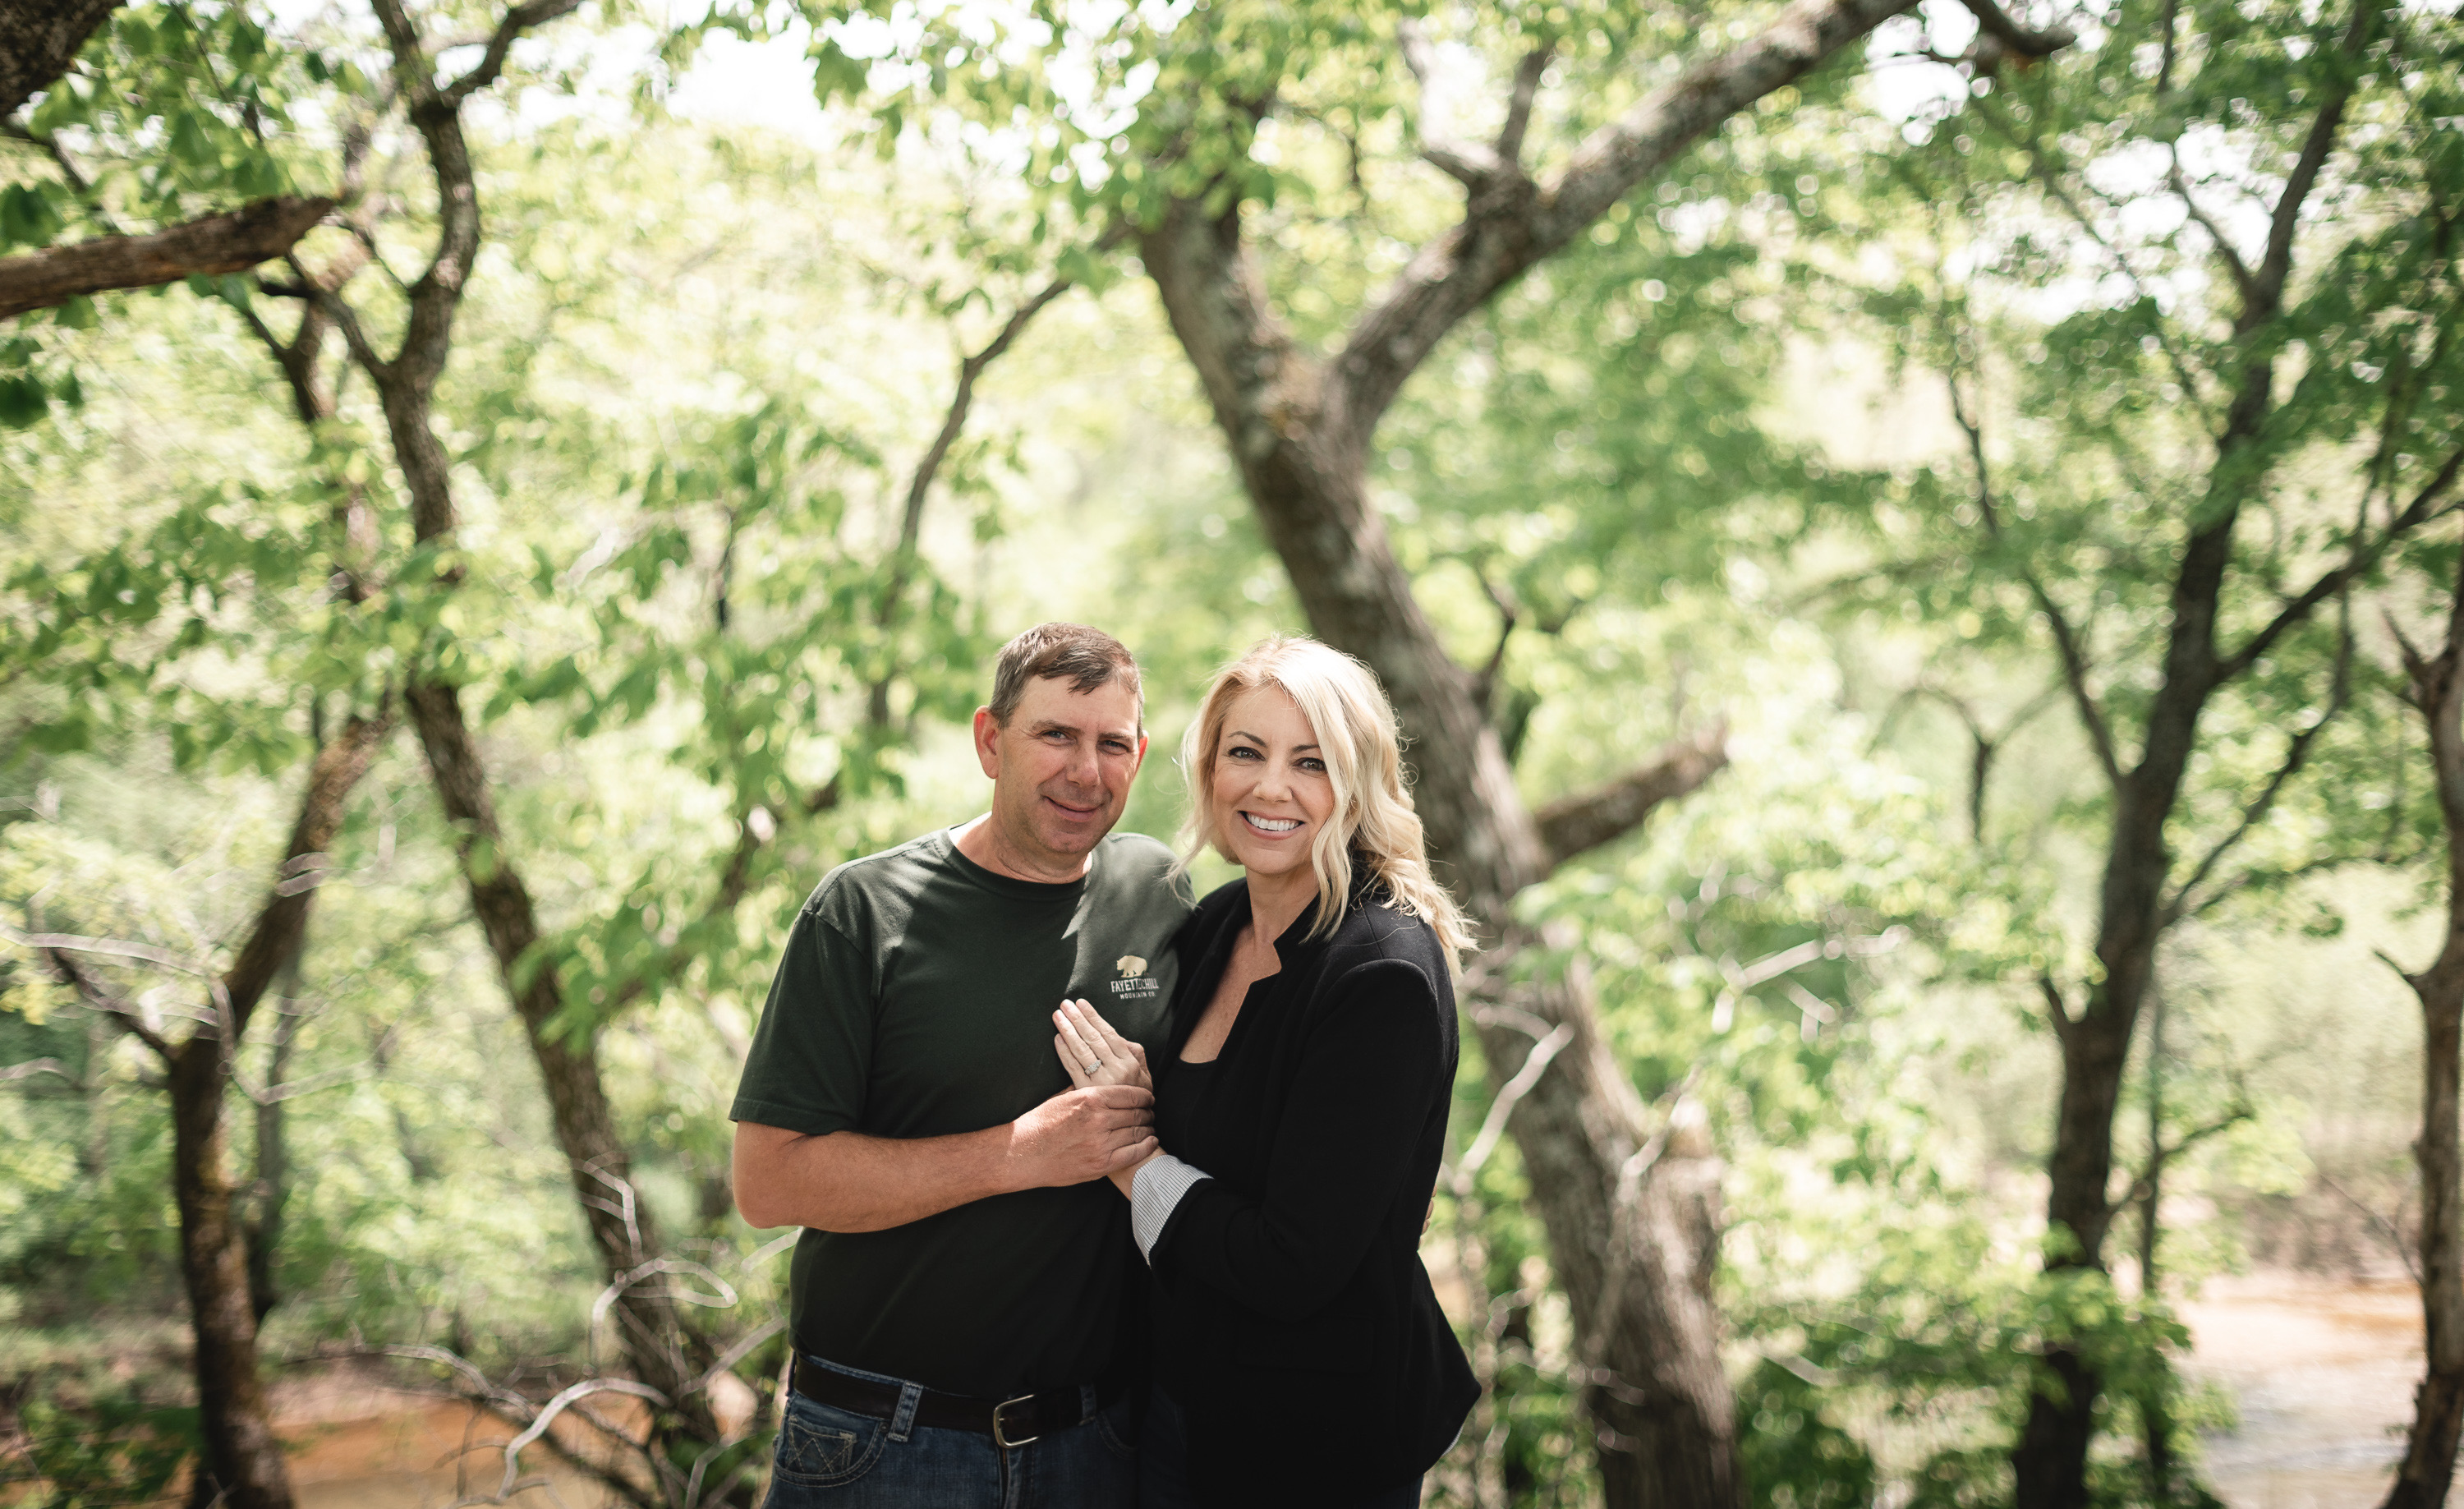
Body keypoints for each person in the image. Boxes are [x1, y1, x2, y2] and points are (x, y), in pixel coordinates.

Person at [730, 623, 1193, 1508]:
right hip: (883, 1444)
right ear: (991, 740)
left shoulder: (1158, 890)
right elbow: (768, 1181)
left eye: (1111, 745)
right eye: (1055, 735)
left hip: (1098, 1443)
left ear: (1138, 756)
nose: (1084, 773)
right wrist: (1022, 1150)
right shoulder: (862, 913)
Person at [1051, 635, 1480, 1509]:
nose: (1270, 787)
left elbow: (1296, 1263)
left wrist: (1132, 1160)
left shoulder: (1382, 971)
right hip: (1179, 1405)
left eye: (1311, 762)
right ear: (1210, 769)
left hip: (1313, 1441)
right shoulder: (1213, 926)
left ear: (1357, 786)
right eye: (1245, 752)